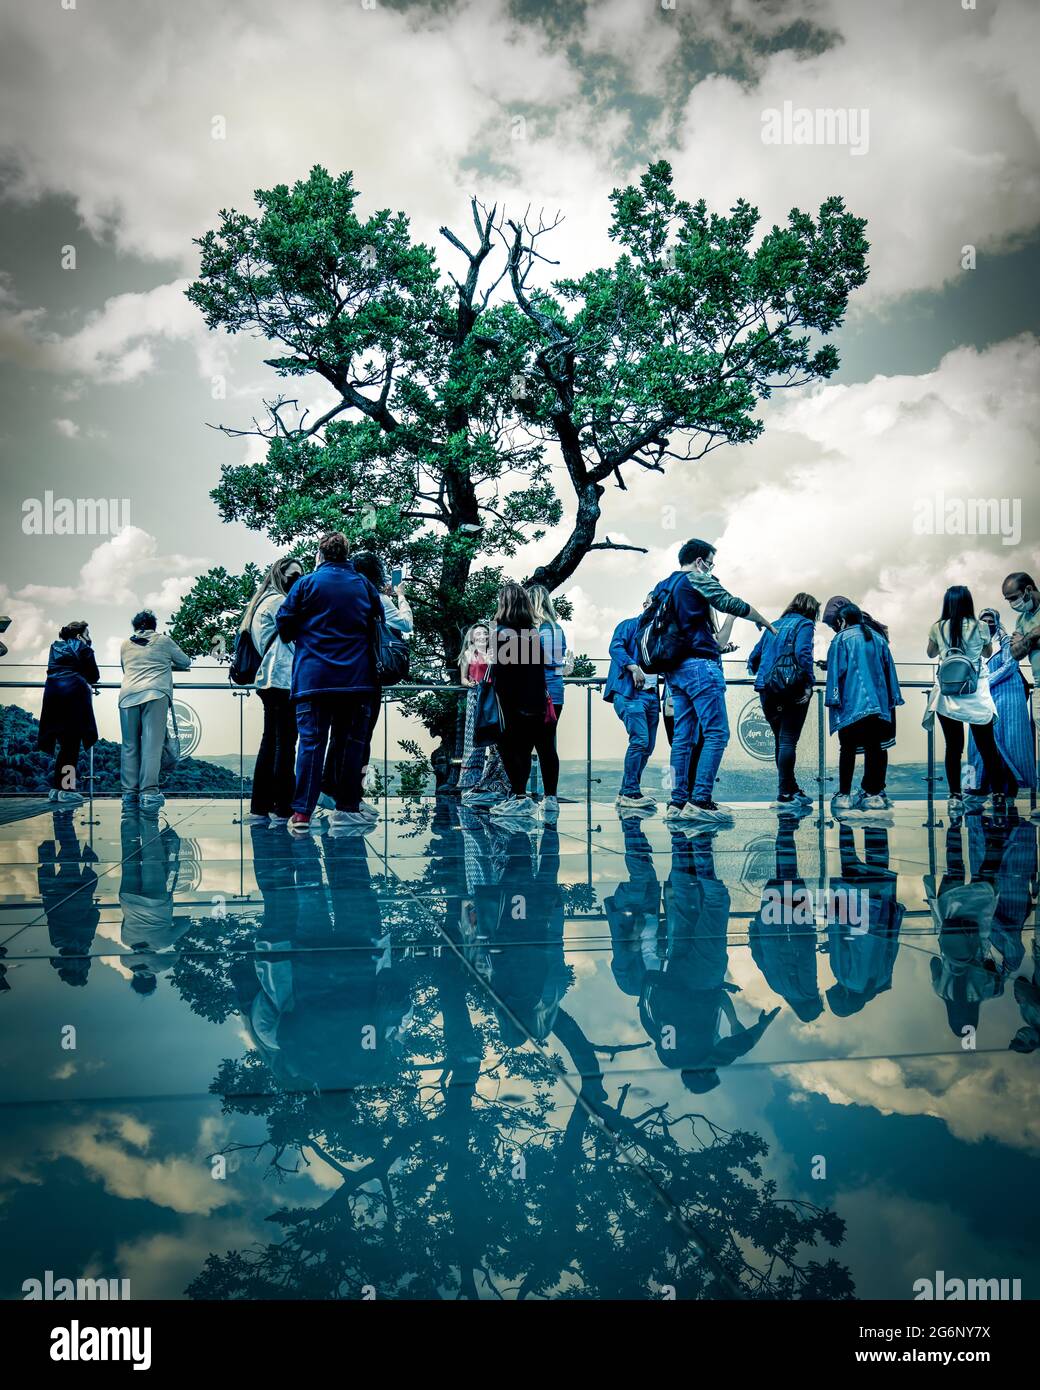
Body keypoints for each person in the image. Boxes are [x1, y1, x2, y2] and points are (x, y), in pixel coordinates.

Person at [651, 539, 774, 824]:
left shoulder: (663, 586)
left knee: (683, 737)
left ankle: (677, 802)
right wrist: (764, 621)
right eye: (710, 563)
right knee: (717, 733)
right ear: (699, 561)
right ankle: (701, 800)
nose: (711, 568)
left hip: (674, 671)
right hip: (700, 667)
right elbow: (729, 601)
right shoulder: (695, 578)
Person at [275, 532, 382, 834]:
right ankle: (346, 809)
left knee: (310, 746)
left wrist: (308, 635)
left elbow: (284, 626)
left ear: (319, 555)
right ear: (347, 555)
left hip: (314, 678)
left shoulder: (305, 584)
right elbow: (378, 622)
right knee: (350, 746)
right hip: (356, 680)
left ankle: (301, 814)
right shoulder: (364, 585)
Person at [314, 549, 412, 821]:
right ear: (378, 573)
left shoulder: (342, 597)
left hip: (339, 674)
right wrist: (400, 595)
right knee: (360, 738)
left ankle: (330, 790)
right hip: (368, 675)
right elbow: (406, 624)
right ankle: (350, 799)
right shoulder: (377, 598)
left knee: (339, 735)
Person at [924, 585, 1010, 816]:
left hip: (948, 694)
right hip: (975, 692)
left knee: (953, 748)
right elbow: (986, 652)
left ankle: (954, 796)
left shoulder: (937, 627)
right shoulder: (980, 626)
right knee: (987, 747)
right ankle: (999, 794)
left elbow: (931, 653)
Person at [240, 557, 304, 826]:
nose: (298, 579)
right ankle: (281, 808)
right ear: (280, 575)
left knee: (270, 744)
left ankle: (260, 807)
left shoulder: (258, 603)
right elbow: (293, 642)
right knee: (285, 744)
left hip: (267, 681)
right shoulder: (279, 602)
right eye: (294, 575)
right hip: (282, 679)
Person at [824, 602, 903, 818]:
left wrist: (832, 699)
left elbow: (835, 673)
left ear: (841, 621)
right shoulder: (878, 639)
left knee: (847, 749)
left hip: (851, 704)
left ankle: (843, 796)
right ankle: (873, 796)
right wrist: (893, 699)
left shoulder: (841, 639)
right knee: (874, 748)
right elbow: (890, 673)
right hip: (878, 705)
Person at [486, 582, 551, 822]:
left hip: (509, 701)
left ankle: (517, 796)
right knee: (524, 750)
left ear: (504, 603)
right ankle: (520, 796)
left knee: (509, 748)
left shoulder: (499, 631)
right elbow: (538, 667)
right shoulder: (532, 632)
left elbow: (499, 671)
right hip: (534, 700)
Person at [747, 592, 819, 810]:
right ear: (810, 610)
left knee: (781, 740)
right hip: (791, 689)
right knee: (788, 740)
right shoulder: (804, 624)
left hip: (767, 689)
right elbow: (803, 653)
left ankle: (790, 789)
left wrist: (766, 671)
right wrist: (809, 683)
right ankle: (785, 795)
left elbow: (754, 657)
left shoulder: (775, 624)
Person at [118, 610, 192, 812]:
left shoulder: (125, 644)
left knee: (129, 746)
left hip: (127, 696)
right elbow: (185, 661)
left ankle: (129, 794)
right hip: (155, 694)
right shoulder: (164, 641)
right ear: (153, 626)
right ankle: (149, 792)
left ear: (135, 626)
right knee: (151, 745)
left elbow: (125, 667)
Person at [968, 608, 1035, 801]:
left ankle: (1013, 784)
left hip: (1008, 694)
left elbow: (1010, 665)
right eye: (984, 620)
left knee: (1010, 739)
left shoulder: (1005, 640)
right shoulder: (973, 643)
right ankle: (975, 784)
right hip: (983, 698)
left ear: (997, 622)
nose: (988, 624)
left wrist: (984, 682)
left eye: (991, 620)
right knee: (977, 742)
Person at [603, 596, 660, 810]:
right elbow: (615, 648)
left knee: (648, 745)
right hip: (629, 694)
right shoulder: (628, 625)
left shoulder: (661, 633)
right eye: (647, 602)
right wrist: (633, 668)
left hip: (652, 695)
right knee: (640, 740)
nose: (649, 606)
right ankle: (630, 793)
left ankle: (627, 790)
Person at [37, 620, 99, 806]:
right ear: (80, 636)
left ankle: (57, 788)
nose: (89, 638)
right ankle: (67, 788)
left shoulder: (54, 648)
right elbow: (94, 675)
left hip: (53, 696)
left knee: (63, 744)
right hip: (74, 697)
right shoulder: (84, 648)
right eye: (87, 634)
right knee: (71, 746)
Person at [527, 584, 570, 816]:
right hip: (554, 692)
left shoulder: (544, 630)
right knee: (545, 744)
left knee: (538, 745)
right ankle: (549, 796)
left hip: (542, 694)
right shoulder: (555, 629)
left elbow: (545, 660)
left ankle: (546, 796)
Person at [1003, 571, 1040, 820]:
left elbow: (1020, 644)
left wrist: (1024, 640)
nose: (1012, 603)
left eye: (1014, 597)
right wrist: (1032, 636)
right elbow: (1015, 653)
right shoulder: (1024, 620)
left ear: (1027, 590)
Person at [457, 621, 492, 790]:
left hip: (492, 695)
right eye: (478, 634)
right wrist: (468, 684)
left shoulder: (494, 654)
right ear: (472, 638)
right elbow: (463, 678)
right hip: (475, 694)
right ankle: (470, 781)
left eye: (485, 633)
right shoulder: (468, 654)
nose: (483, 636)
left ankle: (493, 780)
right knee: (473, 737)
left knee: (494, 738)